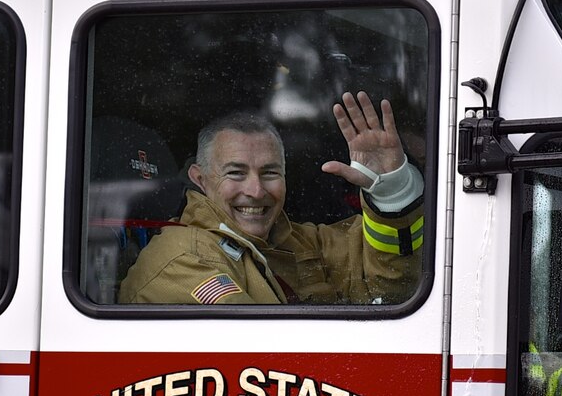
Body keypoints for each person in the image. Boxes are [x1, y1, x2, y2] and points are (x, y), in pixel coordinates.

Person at [117, 93, 425, 305]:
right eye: (236, 173)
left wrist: (391, 190)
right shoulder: (184, 260)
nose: (256, 190)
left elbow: (391, 287)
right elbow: (264, 360)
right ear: (201, 180)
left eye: (270, 173)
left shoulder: (296, 241)